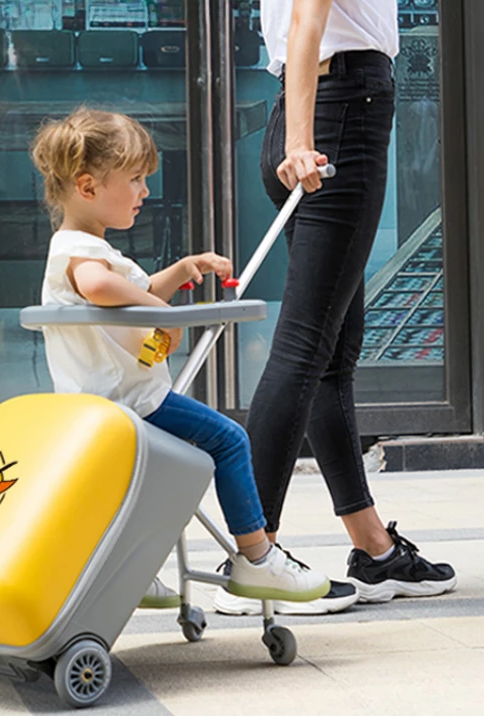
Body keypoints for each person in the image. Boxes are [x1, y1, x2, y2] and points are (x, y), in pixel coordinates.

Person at [213, 0, 457, 617]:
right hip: (336, 117)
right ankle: (253, 556)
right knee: (304, 349)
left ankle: (374, 550)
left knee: (327, 356)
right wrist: (301, 142)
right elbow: (307, 17)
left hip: (318, 112)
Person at [31, 107, 330, 608]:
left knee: (150, 478)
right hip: (130, 400)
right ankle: (257, 558)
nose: (145, 191)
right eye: (135, 180)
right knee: (230, 440)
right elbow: (103, 287)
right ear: (87, 188)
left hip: (112, 400)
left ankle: (123, 567)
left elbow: (136, 286)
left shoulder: (87, 245)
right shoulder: (78, 252)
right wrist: (160, 315)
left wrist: (183, 270)